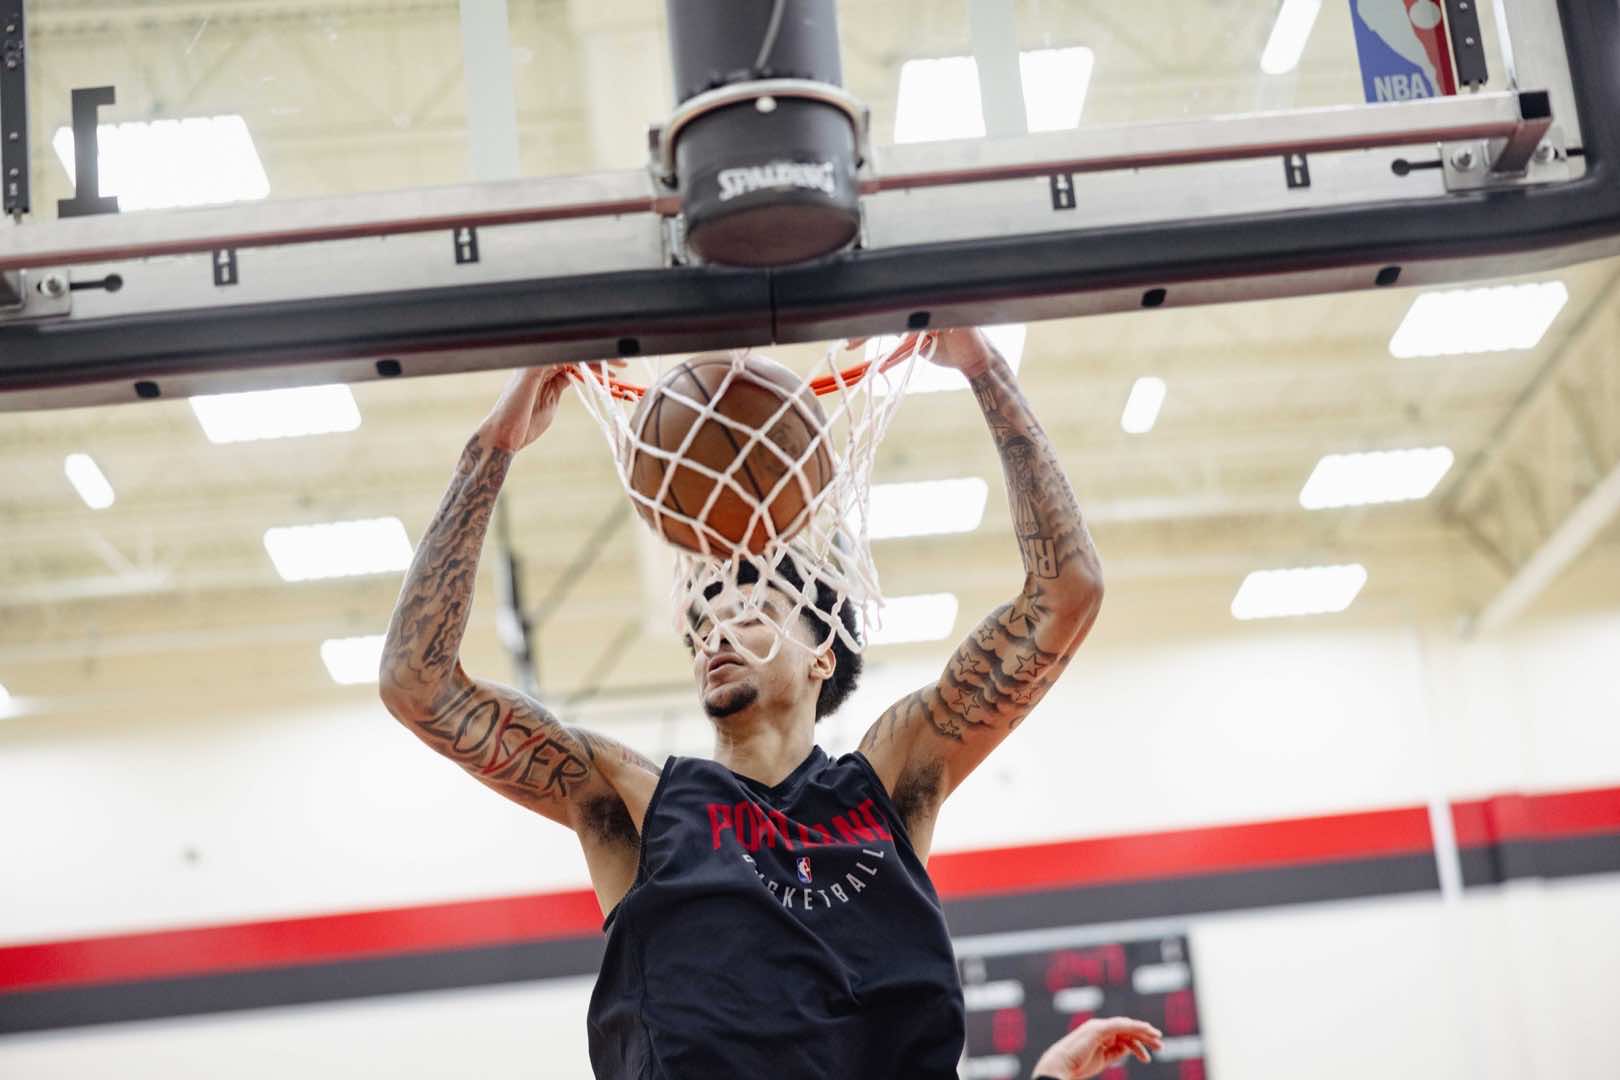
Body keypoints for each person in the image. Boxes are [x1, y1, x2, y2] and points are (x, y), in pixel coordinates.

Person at [379, 329, 1108, 1079]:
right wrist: (492, 447)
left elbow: (1068, 593)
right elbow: (417, 684)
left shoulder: (889, 781)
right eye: (704, 624)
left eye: (753, 611)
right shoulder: (638, 803)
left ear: (822, 653)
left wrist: (985, 368)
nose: (716, 632)